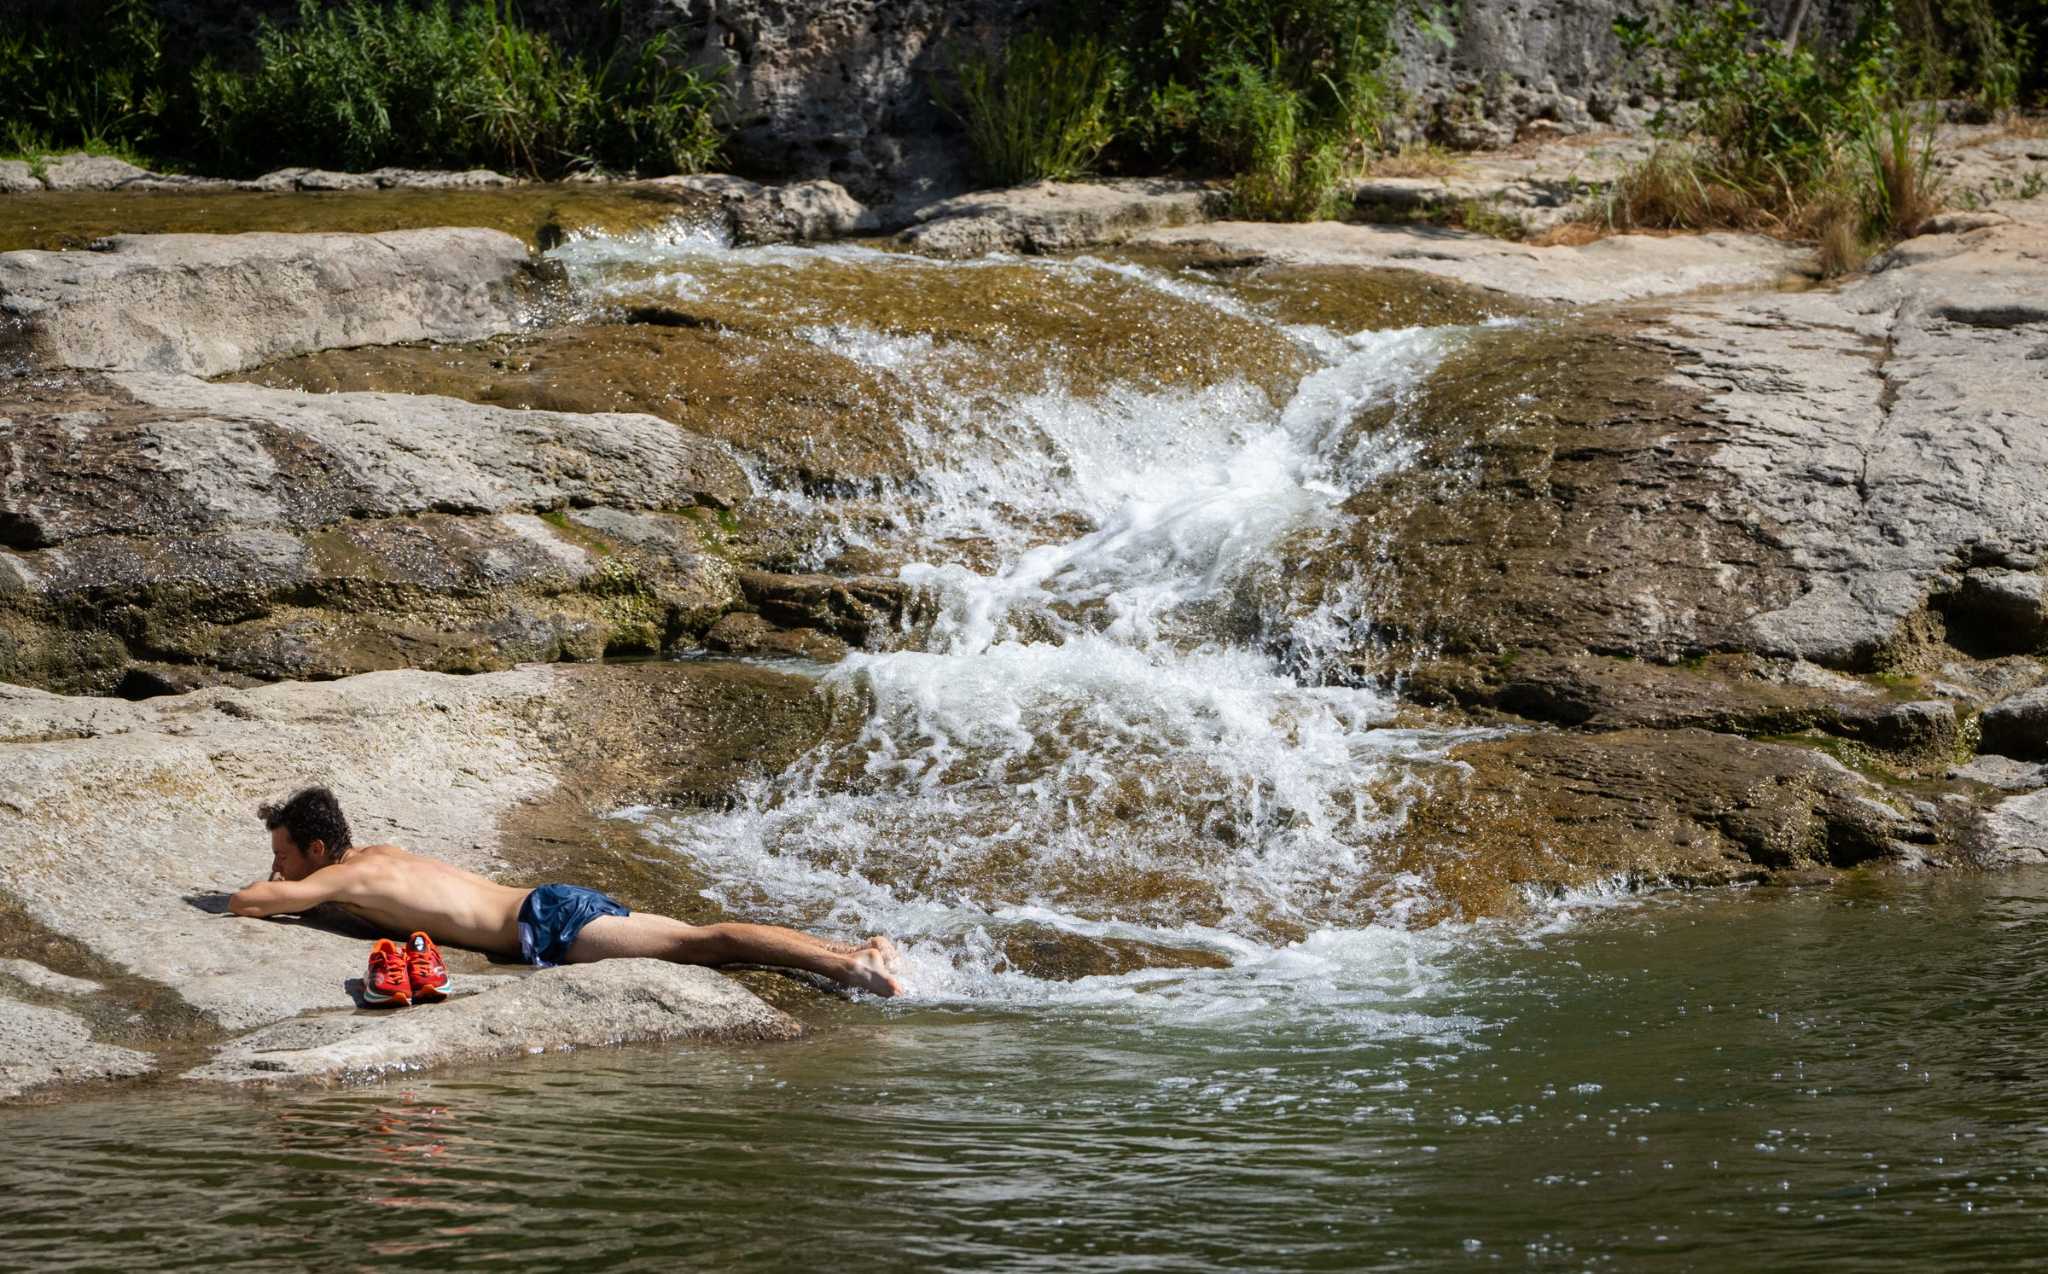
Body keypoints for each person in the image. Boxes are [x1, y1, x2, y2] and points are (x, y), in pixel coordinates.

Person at [229, 786, 904, 998]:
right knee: (699, 940)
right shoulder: (381, 857)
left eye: (282, 855)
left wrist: (276, 889)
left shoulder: (347, 875)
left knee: (706, 945)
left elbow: (249, 903)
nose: (278, 869)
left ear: (317, 850)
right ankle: (852, 947)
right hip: (550, 906)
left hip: (548, 924)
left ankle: (848, 965)